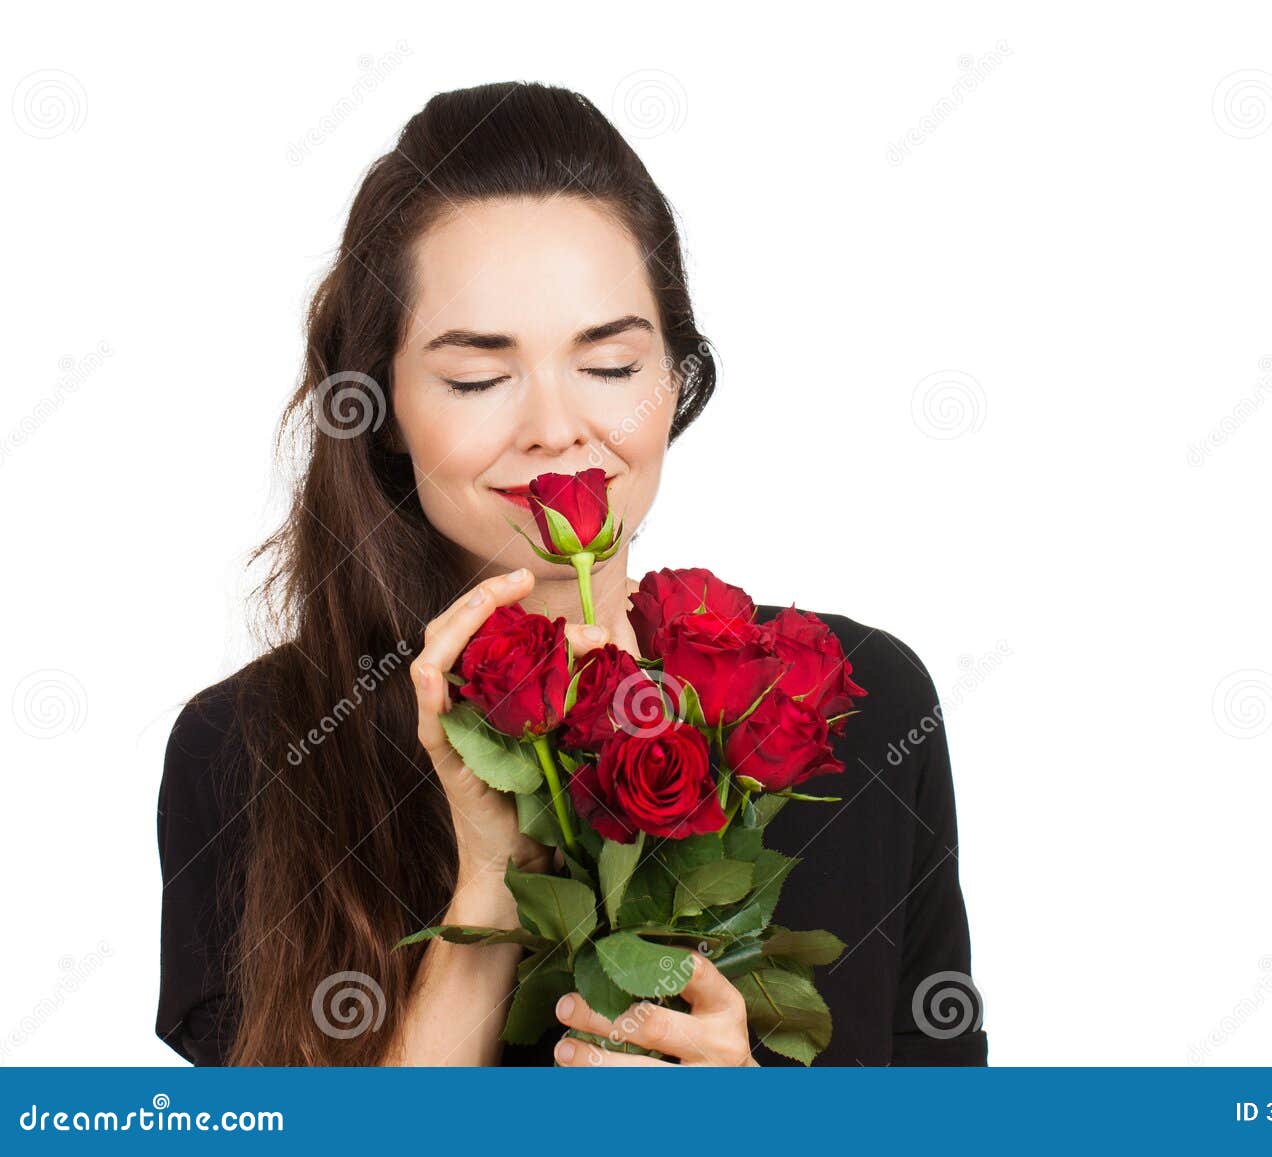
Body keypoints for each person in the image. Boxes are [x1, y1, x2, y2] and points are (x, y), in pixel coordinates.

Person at [156, 81, 985, 1067]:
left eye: (610, 364)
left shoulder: (847, 696)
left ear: (677, 378)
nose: (555, 429)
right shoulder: (250, 748)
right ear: (377, 403)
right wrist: (491, 880)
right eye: (477, 376)